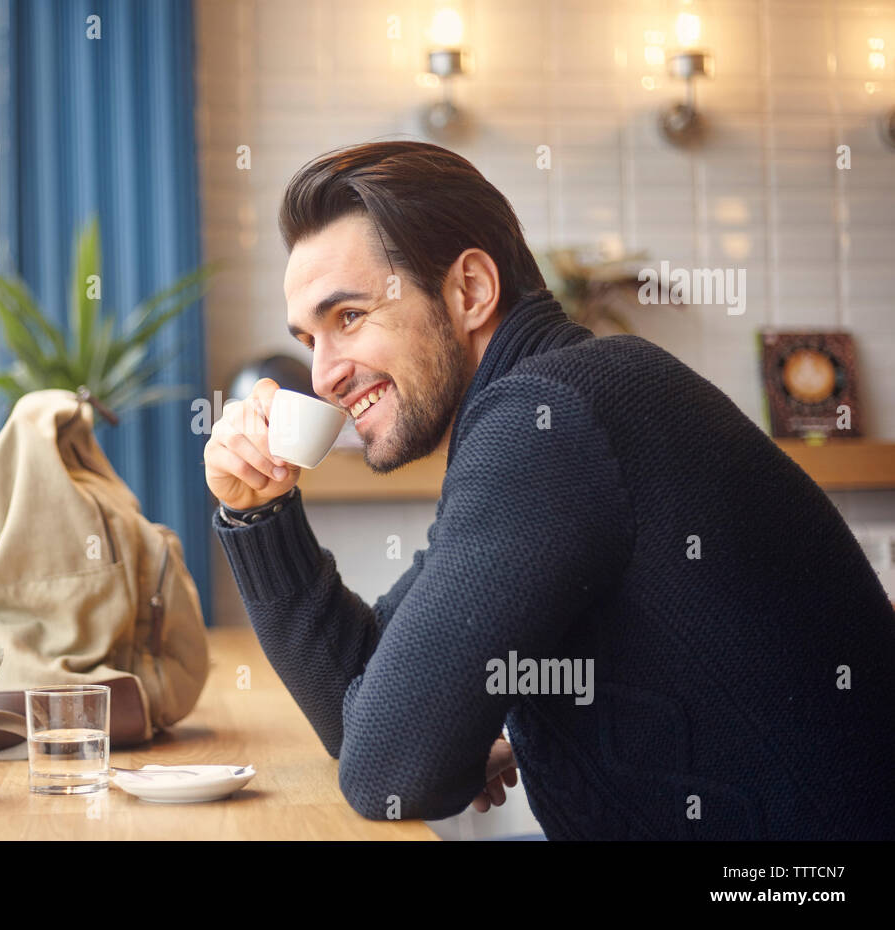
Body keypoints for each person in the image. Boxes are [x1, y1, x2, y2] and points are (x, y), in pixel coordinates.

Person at [202, 140, 895, 840]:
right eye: (308, 337)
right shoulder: (552, 402)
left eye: (348, 317)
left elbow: (388, 771)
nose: (322, 376)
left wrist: (435, 745)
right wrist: (258, 513)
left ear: (470, 290)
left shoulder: (553, 416)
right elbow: (370, 695)